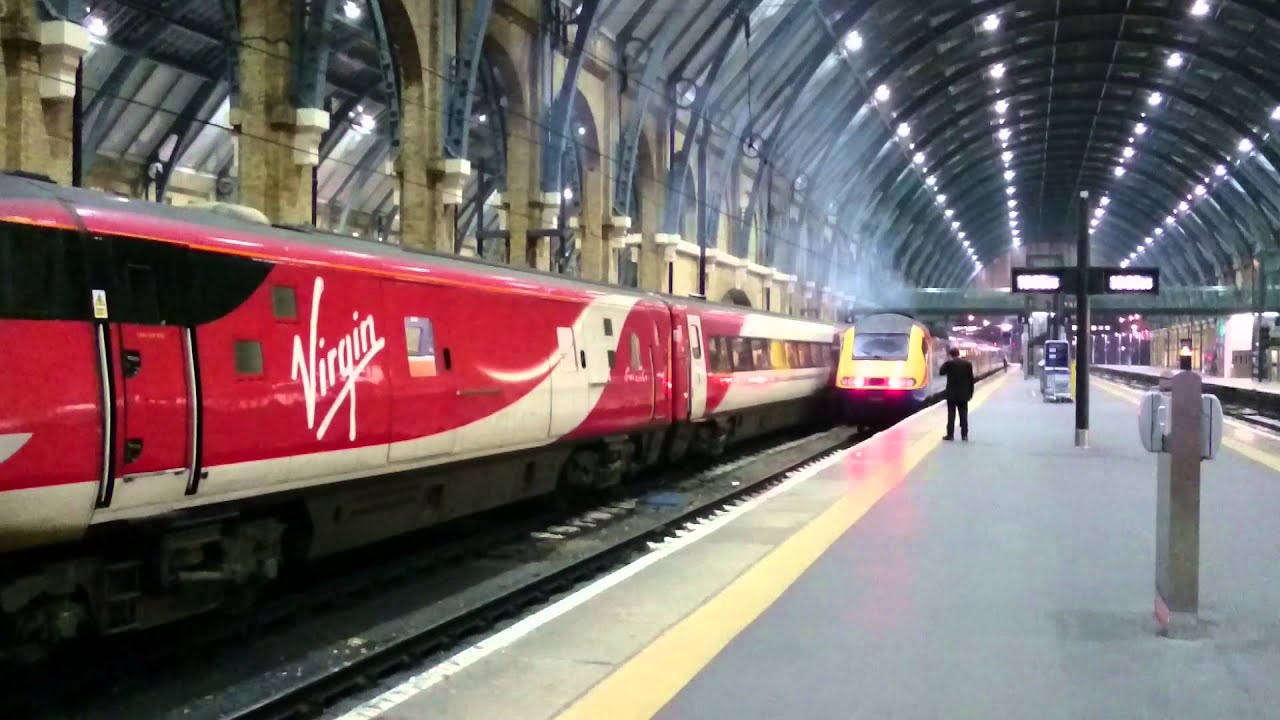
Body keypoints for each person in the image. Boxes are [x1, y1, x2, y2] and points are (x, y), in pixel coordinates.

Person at [938, 347, 975, 441]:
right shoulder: (967, 364)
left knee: (951, 415)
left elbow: (941, 372)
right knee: (963, 415)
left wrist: (946, 362)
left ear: (951, 355)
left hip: (951, 395)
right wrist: (970, 393)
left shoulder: (949, 364)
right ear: (958, 354)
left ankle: (950, 435)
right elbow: (971, 380)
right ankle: (964, 435)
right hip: (964, 394)